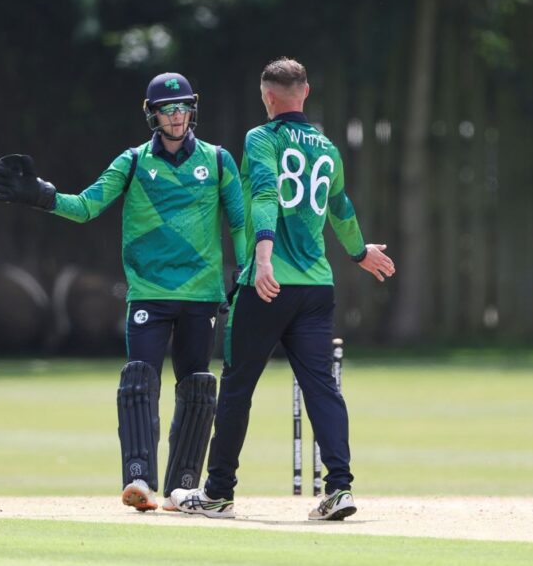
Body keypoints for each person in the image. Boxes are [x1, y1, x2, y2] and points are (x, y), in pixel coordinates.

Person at [0, 72, 247, 513]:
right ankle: (139, 480)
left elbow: (239, 221)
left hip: (202, 295)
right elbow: (87, 206)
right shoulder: (132, 162)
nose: (177, 116)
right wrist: (40, 195)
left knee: (198, 385)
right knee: (138, 379)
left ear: (192, 110)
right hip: (148, 291)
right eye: (168, 109)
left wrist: (242, 273)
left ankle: (183, 485)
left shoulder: (219, 161)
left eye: (183, 107)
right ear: (152, 115)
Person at [169, 57, 395, 521]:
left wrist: (266, 256)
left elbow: (267, 193)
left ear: (266, 96)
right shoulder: (328, 147)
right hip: (317, 288)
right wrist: (358, 253)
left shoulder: (260, 138)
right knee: (323, 389)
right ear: (305, 92)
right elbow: (340, 206)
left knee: (237, 388)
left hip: (268, 285)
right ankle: (339, 488)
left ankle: (218, 493)